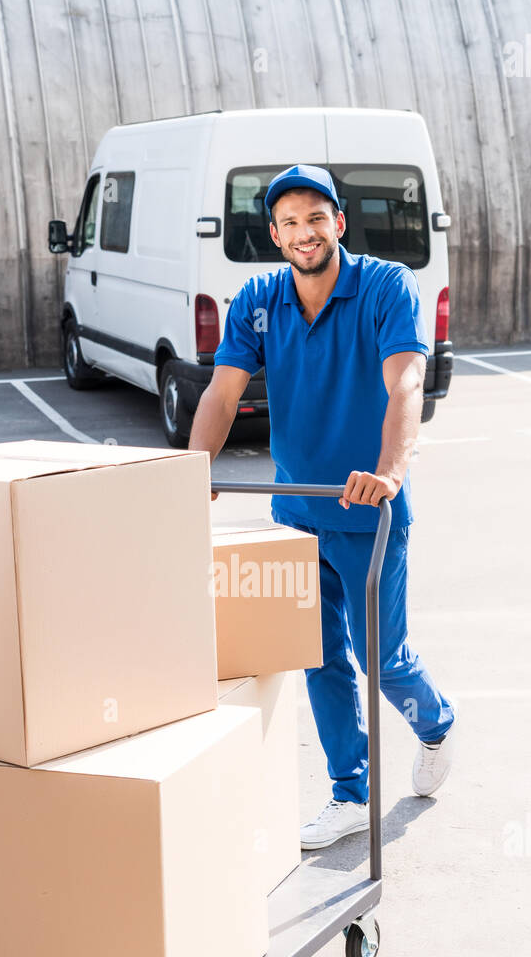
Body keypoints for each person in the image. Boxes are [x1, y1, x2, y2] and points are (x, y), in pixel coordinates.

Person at [189, 164, 455, 849]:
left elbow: (406, 383)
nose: (304, 232)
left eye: (315, 218)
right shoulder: (259, 299)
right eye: (289, 223)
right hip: (297, 511)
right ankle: (349, 793)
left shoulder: (386, 286)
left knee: (381, 658)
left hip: (368, 512)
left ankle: (435, 724)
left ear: (337, 223)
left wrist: (389, 471)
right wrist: (194, 468)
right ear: (275, 235)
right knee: (318, 656)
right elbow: (222, 393)